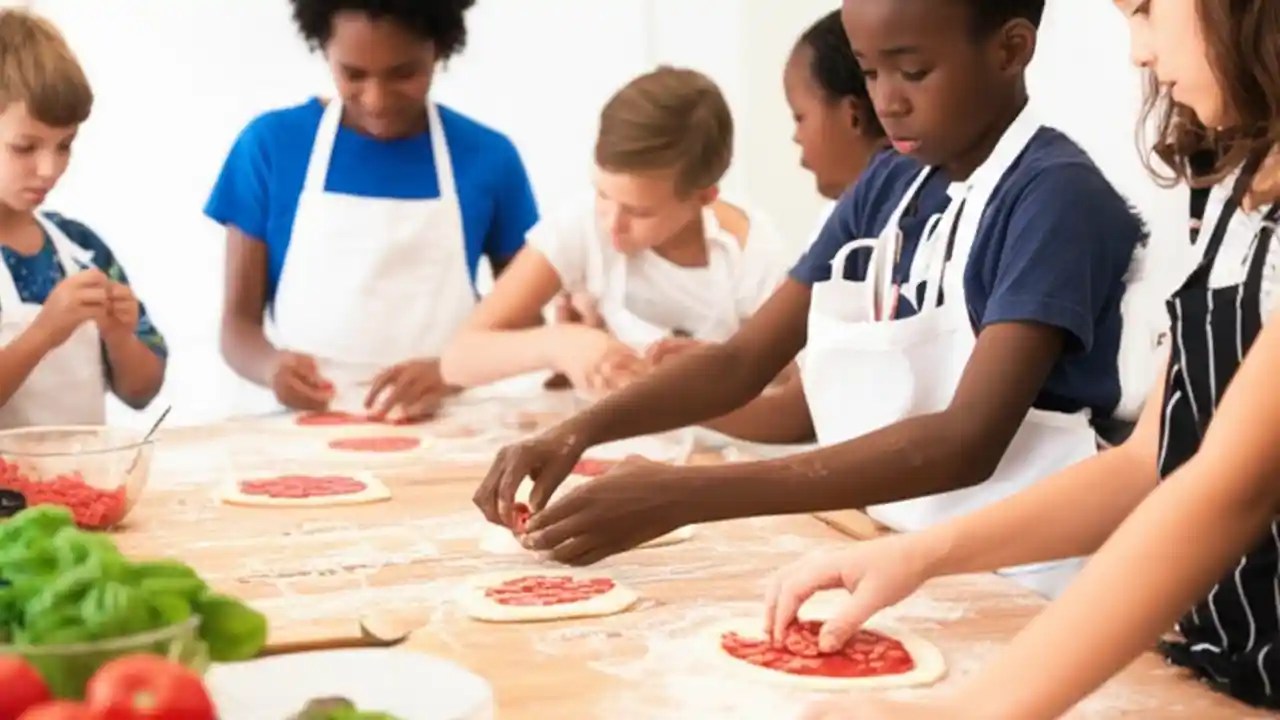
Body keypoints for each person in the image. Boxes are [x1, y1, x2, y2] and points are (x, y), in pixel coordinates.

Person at [473, 0, 1148, 599]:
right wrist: (579, 429)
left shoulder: (1056, 201)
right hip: (894, 549)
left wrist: (687, 494)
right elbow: (741, 361)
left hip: (1028, 577)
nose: (888, 101)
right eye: (870, 70)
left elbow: (965, 442)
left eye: (912, 72)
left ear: (1010, 49)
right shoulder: (890, 183)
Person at [763, 0, 1280, 716]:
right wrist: (916, 556)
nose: (1137, 52)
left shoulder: (1056, 192)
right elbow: (1150, 461)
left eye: (1147, 10)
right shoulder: (1228, 189)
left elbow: (1228, 489)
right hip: (1227, 666)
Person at [205, 0, 538, 422]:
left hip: (451, 425)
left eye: (404, 73)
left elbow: (527, 326)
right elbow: (238, 328)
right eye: (353, 74)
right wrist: (271, 368)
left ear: (439, 49)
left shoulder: (488, 157)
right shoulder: (271, 146)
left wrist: (449, 373)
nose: (377, 100)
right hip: (300, 427)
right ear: (324, 49)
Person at [439, 66, 788, 400]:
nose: (612, 223)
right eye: (603, 193)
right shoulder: (582, 224)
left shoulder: (751, 255)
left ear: (704, 197)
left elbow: (797, 381)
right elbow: (459, 359)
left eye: (639, 211)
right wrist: (563, 344)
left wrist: (722, 365)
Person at [692, 8, 891, 444]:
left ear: (853, 115)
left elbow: (801, 412)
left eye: (799, 116)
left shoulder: (878, 221)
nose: (795, 137)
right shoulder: (845, 217)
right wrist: (697, 371)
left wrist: (670, 393)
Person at [0, 10, 166, 429]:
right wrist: (43, 334)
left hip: (76, 487)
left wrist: (118, 333)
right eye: (25, 147)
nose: (49, 169)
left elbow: (141, 392)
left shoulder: (80, 247)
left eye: (65, 146)